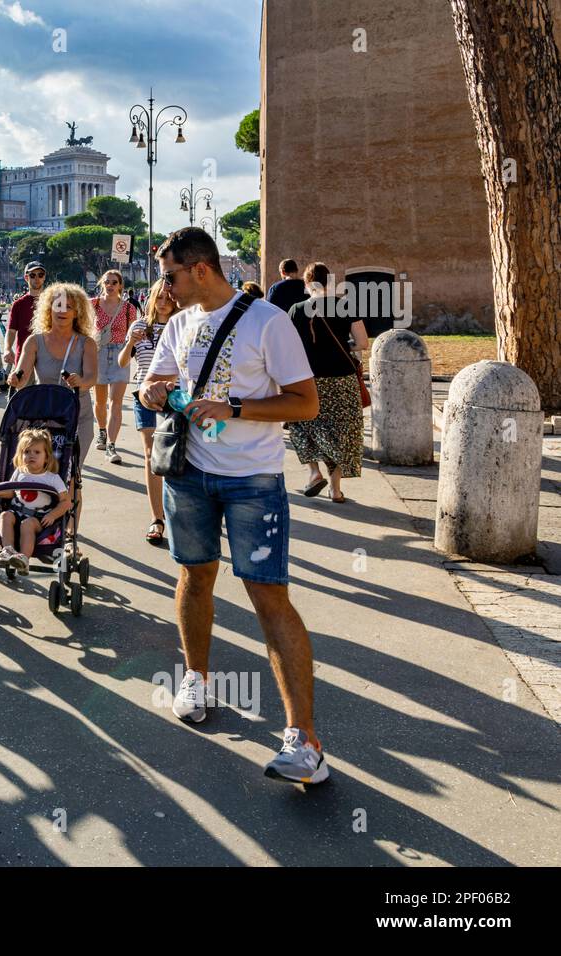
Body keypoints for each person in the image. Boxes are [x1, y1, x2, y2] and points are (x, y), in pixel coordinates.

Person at [139, 226, 325, 784]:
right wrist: (152, 390)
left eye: (169, 276)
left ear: (200, 269)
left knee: (269, 598)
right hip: (189, 475)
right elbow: (158, 379)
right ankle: (195, 679)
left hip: (253, 481)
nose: (163, 286)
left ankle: (304, 739)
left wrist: (234, 407)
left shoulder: (268, 322)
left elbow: (306, 403)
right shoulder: (177, 323)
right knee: (193, 578)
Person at [287, 261, 369, 503]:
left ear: (306, 283)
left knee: (302, 426)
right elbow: (362, 343)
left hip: (306, 379)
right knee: (341, 432)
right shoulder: (345, 306)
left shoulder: (297, 309)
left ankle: (314, 473)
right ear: (329, 282)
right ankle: (335, 489)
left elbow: (288, 347)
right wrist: (345, 346)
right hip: (341, 378)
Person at [7, 283, 98, 471]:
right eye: (58, 305)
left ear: (77, 312)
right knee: (40, 473)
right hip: (44, 417)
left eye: (68, 306)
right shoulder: (34, 341)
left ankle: (72, 498)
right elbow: (22, 376)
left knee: (71, 474)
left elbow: (91, 378)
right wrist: (15, 378)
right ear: (48, 309)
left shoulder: (86, 343)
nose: (62, 310)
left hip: (78, 416)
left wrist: (80, 382)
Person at [118, 278, 177, 545]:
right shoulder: (140, 325)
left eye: (168, 297)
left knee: (176, 454)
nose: (164, 303)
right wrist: (130, 341)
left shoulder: (181, 324)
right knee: (151, 453)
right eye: (159, 298)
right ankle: (157, 517)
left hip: (175, 397)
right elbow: (122, 362)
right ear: (151, 299)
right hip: (143, 394)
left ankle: (180, 509)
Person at [0, 428, 73, 575]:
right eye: (27, 452)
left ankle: (23, 558)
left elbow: (66, 502)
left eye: (37, 452)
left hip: (38, 520)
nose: (31, 456)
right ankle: (7, 550)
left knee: (27, 524)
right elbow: (11, 493)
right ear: (20, 454)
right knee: (5, 515)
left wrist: (53, 515)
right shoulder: (19, 472)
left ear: (47, 457)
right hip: (16, 513)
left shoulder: (52, 478)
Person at [90, 269, 135, 464]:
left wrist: (132, 353)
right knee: (100, 402)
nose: (110, 285)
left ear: (120, 286)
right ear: (102, 284)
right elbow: (83, 327)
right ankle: (102, 431)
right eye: (107, 282)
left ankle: (111, 445)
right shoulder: (93, 304)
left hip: (120, 355)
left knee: (115, 402)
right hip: (98, 353)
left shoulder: (128, 309)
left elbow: (134, 333)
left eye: (114, 282)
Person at [4, 261, 45, 371]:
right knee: (23, 388)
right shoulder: (18, 304)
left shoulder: (52, 302)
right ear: (26, 278)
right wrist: (7, 349)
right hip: (24, 357)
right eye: (32, 275)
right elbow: (11, 330)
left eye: (40, 275)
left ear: (44, 277)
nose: (37, 278)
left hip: (47, 358)